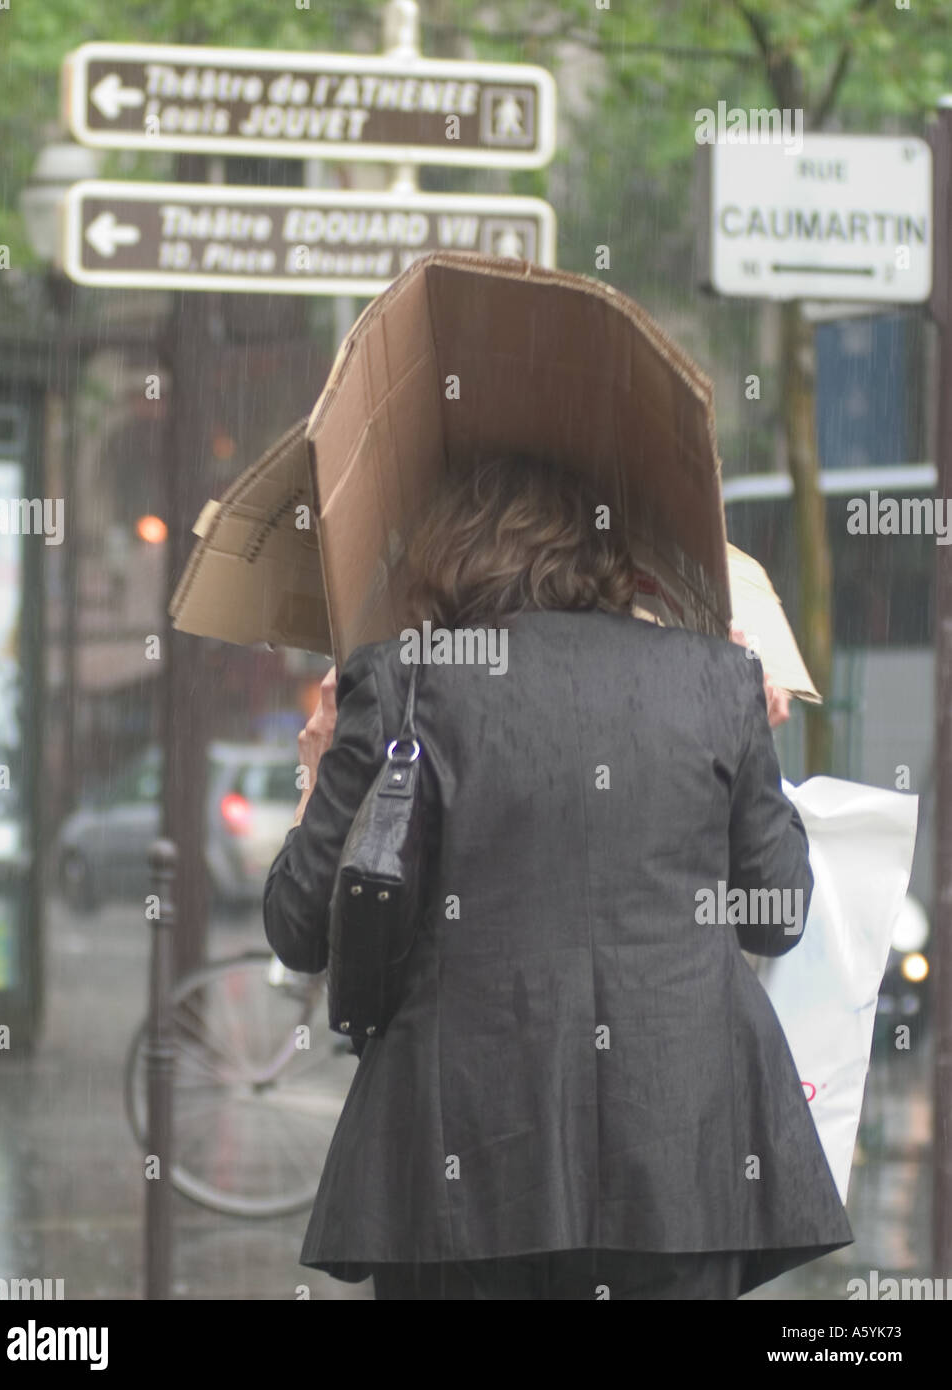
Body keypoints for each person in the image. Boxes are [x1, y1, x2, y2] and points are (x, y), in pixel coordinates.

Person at [262, 454, 854, 1300]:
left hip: (456, 1165)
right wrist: (751, 734)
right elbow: (776, 914)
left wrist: (317, 768)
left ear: (450, 551)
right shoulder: (715, 678)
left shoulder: (401, 679)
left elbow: (295, 923)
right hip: (682, 1155)